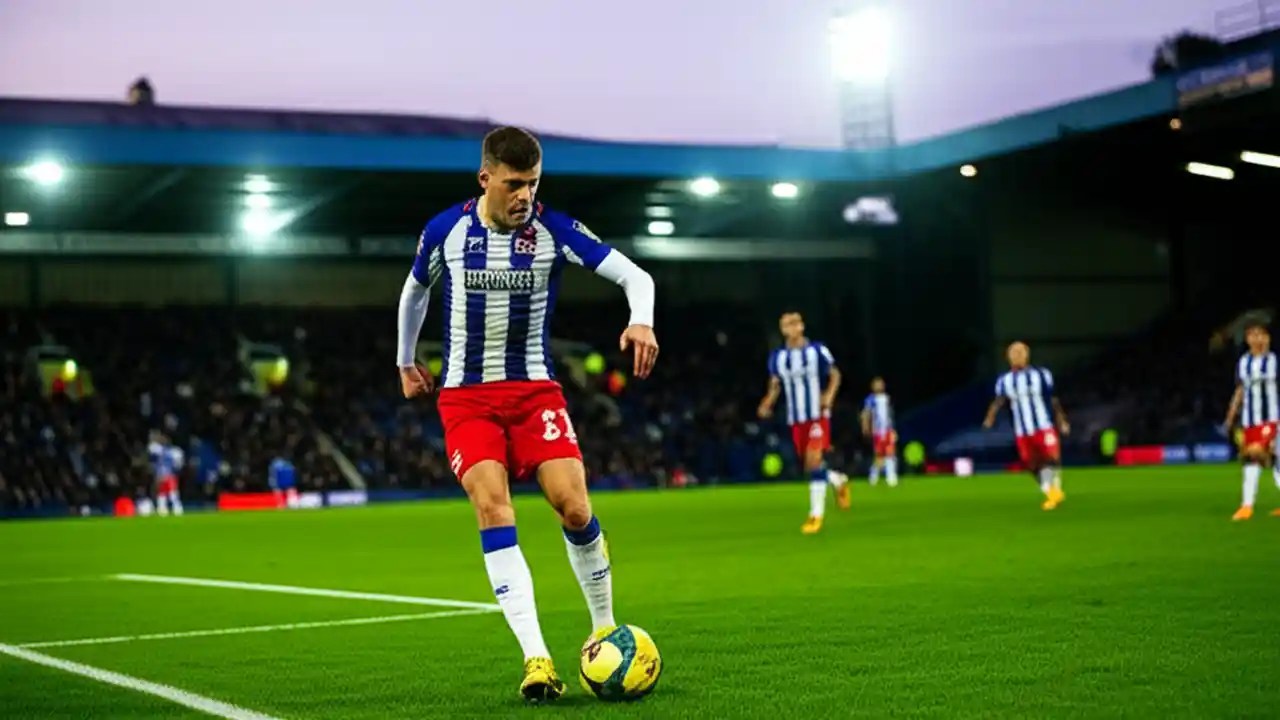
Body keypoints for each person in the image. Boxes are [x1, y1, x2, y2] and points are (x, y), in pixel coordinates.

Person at [396, 126, 658, 702]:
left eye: (533, 184)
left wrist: (642, 317)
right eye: (514, 184)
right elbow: (414, 291)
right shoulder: (445, 231)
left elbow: (637, 276)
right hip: (466, 397)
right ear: (485, 178)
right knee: (493, 507)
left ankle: (603, 629)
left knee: (574, 504)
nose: (525, 196)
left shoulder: (553, 231)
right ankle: (536, 659)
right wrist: (405, 360)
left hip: (536, 392)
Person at [757, 310, 849, 534]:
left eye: (794, 323)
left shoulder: (817, 350)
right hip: (796, 418)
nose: (790, 327)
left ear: (801, 326)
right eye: (785, 324)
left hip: (818, 414)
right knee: (810, 467)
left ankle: (815, 515)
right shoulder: (778, 357)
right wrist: (767, 403)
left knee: (814, 461)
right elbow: (775, 384)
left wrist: (828, 396)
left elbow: (836, 375)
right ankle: (838, 480)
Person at [982, 342, 1069, 510]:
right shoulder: (1004, 381)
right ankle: (1051, 492)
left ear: (1027, 355)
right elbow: (998, 401)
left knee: (1052, 458)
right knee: (1032, 465)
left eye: (1020, 352)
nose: (1017, 355)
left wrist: (1062, 420)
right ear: (1008, 357)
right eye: (1013, 353)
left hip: (1044, 426)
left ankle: (1055, 492)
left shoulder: (1042, 375)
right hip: (1022, 431)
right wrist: (990, 417)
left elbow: (1053, 399)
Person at [1222, 317, 1280, 520]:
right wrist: (1231, 415)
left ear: (1268, 338)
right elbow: (1240, 390)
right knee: (1251, 461)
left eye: (1262, 335)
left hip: (1274, 420)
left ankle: (1247, 505)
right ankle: (1247, 506)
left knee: (1273, 460)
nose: (1258, 339)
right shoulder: (1243, 363)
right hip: (1250, 421)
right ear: (1247, 339)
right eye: (1253, 335)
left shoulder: (1275, 361)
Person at [861, 377, 897, 487]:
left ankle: (891, 477)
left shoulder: (887, 398)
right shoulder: (870, 399)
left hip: (888, 430)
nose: (879, 386)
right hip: (878, 431)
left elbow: (890, 415)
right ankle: (873, 475)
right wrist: (865, 427)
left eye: (880, 384)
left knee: (890, 453)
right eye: (877, 384)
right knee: (879, 455)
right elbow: (866, 414)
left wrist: (893, 430)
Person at [147, 431, 184, 516]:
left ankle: (177, 509)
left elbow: (178, 465)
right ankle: (162, 509)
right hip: (161, 475)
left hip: (169, 475)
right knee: (162, 493)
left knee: (172, 493)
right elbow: (151, 455)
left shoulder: (174, 451)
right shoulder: (157, 449)